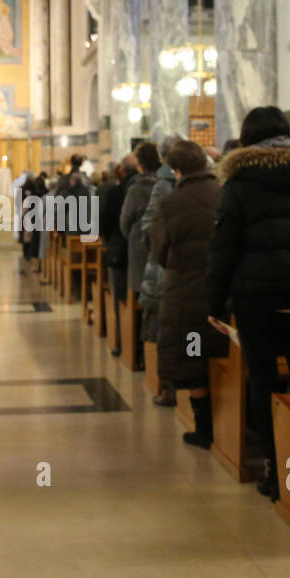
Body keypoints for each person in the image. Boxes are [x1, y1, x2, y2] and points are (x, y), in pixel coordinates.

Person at [207, 106, 290, 500]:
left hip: (258, 301)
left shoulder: (238, 183)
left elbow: (224, 248)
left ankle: (275, 469)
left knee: (263, 381)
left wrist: (214, 301)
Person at [150, 140, 228, 448]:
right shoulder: (225, 193)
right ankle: (229, 424)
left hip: (186, 294)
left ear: (176, 169)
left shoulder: (171, 203)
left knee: (193, 358)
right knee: (224, 351)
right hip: (222, 293)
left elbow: (158, 250)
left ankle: (204, 429)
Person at [137, 133, 183, 405]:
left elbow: (149, 228)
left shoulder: (162, 184)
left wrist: (162, 250)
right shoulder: (212, 183)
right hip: (197, 271)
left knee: (167, 328)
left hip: (169, 269)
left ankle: (171, 387)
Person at [120, 143, 160, 370]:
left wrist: (132, 238)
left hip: (139, 251)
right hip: (159, 249)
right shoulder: (168, 185)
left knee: (140, 297)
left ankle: (140, 353)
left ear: (140, 164)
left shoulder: (136, 189)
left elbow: (124, 222)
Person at [101, 155, 137, 357]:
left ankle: (123, 343)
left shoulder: (116, 192)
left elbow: (106, 223)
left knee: (121, 296)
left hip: (120, 250)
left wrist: (109, 242)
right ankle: (141, 346)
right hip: (141, 252)